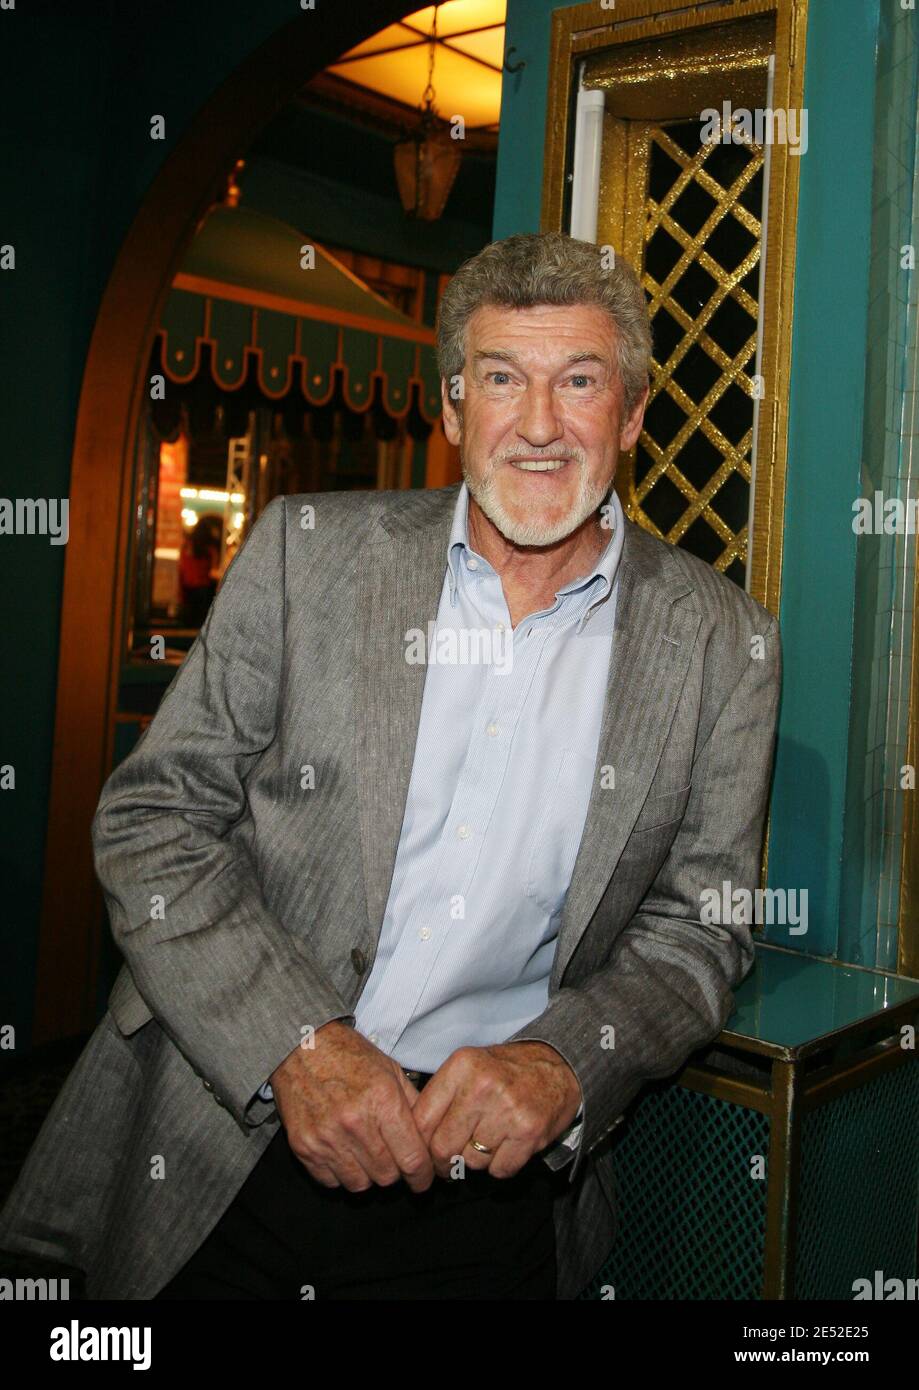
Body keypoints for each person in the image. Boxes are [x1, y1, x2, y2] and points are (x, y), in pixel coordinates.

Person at [0, 232, 781, 1300]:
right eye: (501, 379)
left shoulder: (723, 643)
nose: (541, 425)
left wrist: (564, 1061)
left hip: (488, 1190)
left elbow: (700, 925)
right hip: (233, 1127)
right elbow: (153, 821)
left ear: (633, 415)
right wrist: (298, 1043)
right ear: (453, 410)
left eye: (581, 382)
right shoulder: (303, 552)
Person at [178, 516, 220, 627]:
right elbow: (213, 571)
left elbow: (182, 568)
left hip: (188, 588)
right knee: (201, 623)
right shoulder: (210, 549)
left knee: (188, 622)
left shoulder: (187, 545)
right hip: (204, 591)